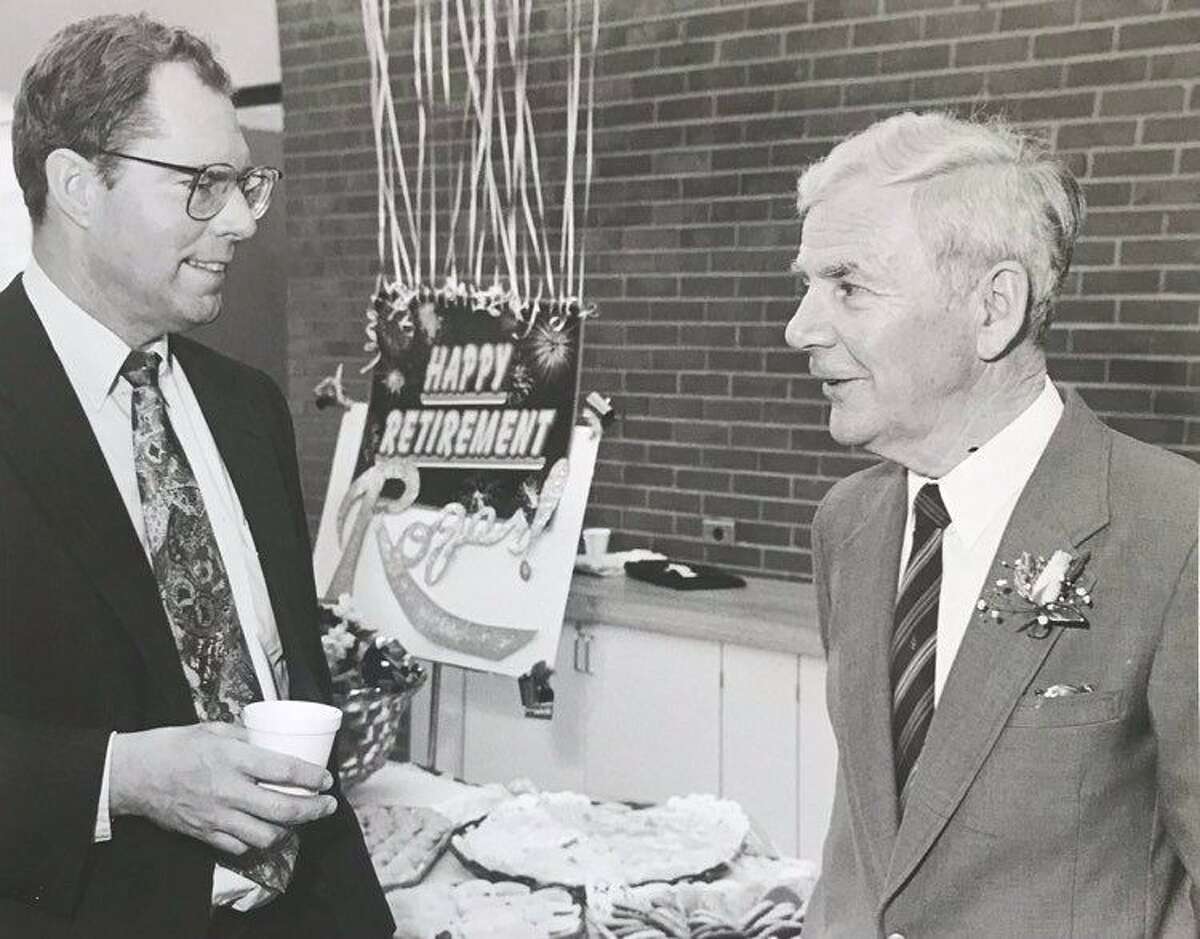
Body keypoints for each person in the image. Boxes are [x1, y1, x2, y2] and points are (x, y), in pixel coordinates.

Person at [0, 14, 394, 938]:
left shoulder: (248, 408)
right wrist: (121, 778)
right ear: (77, 186)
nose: (245, 220)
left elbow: (299, 694)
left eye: (246, 182)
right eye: (204, 184)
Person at [787, 111, 1198, 938]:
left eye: (847, 286)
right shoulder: (848, 523)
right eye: (806, 284)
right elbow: (873, 841)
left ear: (993, 307)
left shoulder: (1175, 530)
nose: (799, 328)